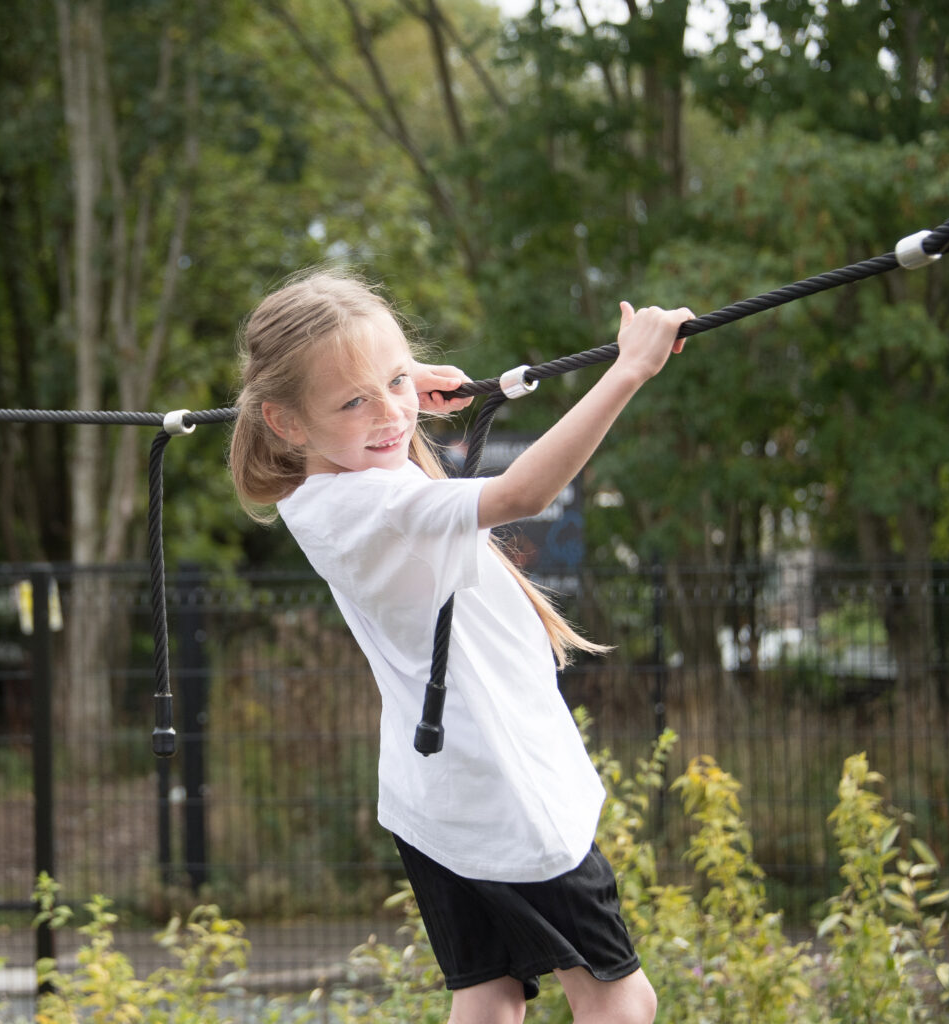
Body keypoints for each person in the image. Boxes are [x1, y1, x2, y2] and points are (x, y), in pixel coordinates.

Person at [228, 268, 691, 1024]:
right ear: (285, 422)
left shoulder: (316, 487)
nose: (387, 414)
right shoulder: (380, 504)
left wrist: (399, 393)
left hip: (434, 796)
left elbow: (364, 437)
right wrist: (628, 369)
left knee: (489, 1000)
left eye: (395, 380)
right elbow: (520, 496)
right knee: (621, 1002)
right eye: (354, 400)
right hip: (500, 788)